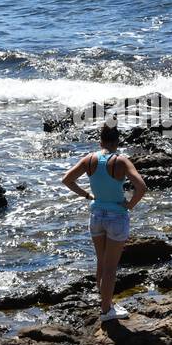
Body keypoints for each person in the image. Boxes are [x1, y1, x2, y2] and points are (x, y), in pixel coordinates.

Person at [61, 122, 147, 322]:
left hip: (96, 215)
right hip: (116, 216)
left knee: (101, 263)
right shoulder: (121, 161)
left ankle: (105, 302)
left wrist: (87, 195)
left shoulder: (90, 159)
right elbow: (141, 187)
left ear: (100, 141)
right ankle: (107, 310)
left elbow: (67, 179)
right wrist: (129, 205)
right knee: (110, 268)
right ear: (117, 142)